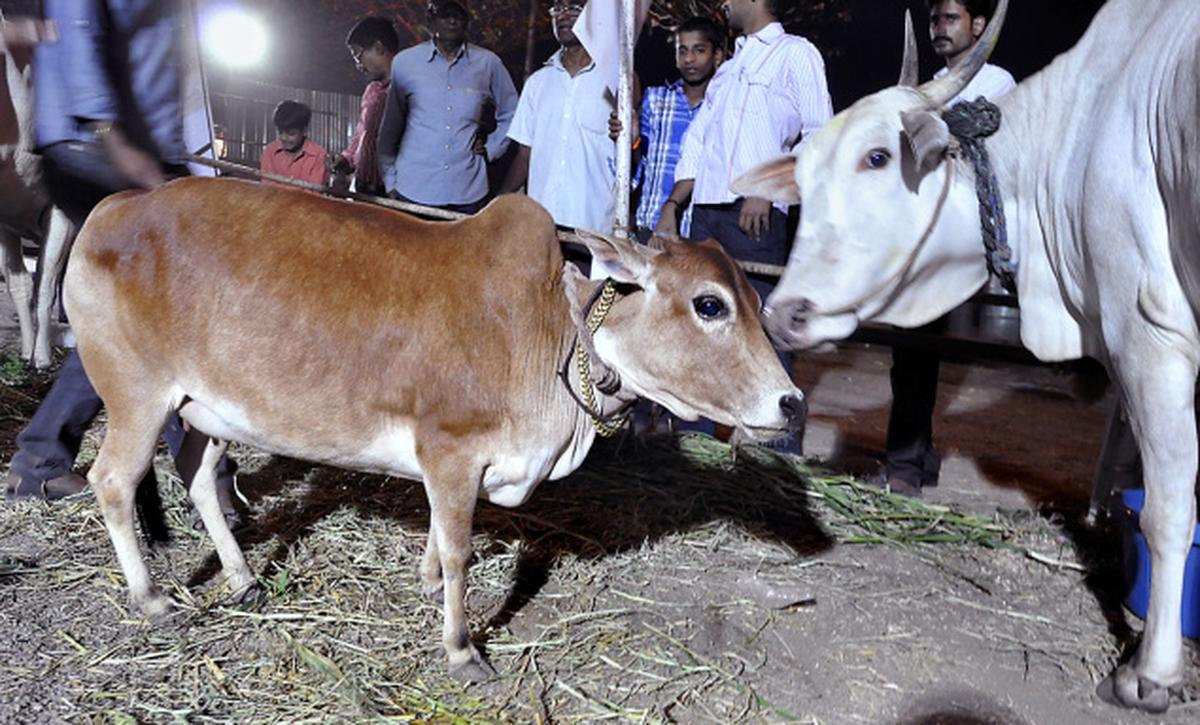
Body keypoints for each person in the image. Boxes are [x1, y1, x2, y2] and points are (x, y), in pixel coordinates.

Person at [5, 0, 238, 530]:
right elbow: (80, 25)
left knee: (137, 317)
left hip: (135, 145)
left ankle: (40, 459)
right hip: (97, 149)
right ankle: (204, 475)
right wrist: (116, 140)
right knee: (163, 313)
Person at [653, 0, 832, 452]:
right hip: (706, 215)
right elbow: (698, 141)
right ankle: (696, 445)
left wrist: (769, 190)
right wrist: (674, 205)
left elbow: (820, 133)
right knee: (701, 330)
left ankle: (778, 454)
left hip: (753, 217)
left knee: (765, 331)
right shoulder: (731, 67)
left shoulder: (796, 53)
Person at [876, 0, 1016, 497]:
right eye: (934, 20)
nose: (939, 28)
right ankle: (908, 465)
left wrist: (936, 130)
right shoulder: (926, 84)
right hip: (929, 234)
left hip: (977, 237)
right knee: (912, 348)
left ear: (978, 26)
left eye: (950, 18)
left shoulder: (997, 80)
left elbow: (989, 134)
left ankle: (914, 459)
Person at [376, 0, 517, 214]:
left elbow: (513, 112)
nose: (452, 21)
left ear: (467, 21)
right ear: (430, 20)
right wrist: (391, 181)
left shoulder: (488, 64)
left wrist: (492, 148)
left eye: (459, 15)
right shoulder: (405, 63)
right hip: (413, 191)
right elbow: (390, 128)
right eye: (445, 14)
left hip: (468, 194)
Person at [500, 0, 616, 232]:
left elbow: (632, 150)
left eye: (573, 8)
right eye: (557, 9)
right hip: (542, 224)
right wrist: (499, 201)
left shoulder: (615, 78)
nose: (563, 15)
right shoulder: (537, 82)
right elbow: (524, 154)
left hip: (594, 223)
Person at [609, 16, 724, 242]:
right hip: (652, 226)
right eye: (682, 51)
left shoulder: (724, 106)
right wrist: (631, 142)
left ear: (717, 55)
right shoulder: (657, 100)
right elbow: (636, 169)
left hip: (700, 234)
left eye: (699, 50)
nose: (689, 59)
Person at [331, 16, 399, 197]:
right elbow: (361, 135)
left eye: (358, 55)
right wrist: (346, 159)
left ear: (378, 47)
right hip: (363, 188)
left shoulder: (407, 89)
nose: (358, 65)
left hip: (394, 192)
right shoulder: (372, 90)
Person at [260, 100, 328, 186]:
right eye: (280, 132)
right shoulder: (270, 152)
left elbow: (313, 193)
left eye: (291, 134)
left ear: (304, 131)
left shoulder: (319, 155)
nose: (284, 138)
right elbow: (268, 187)